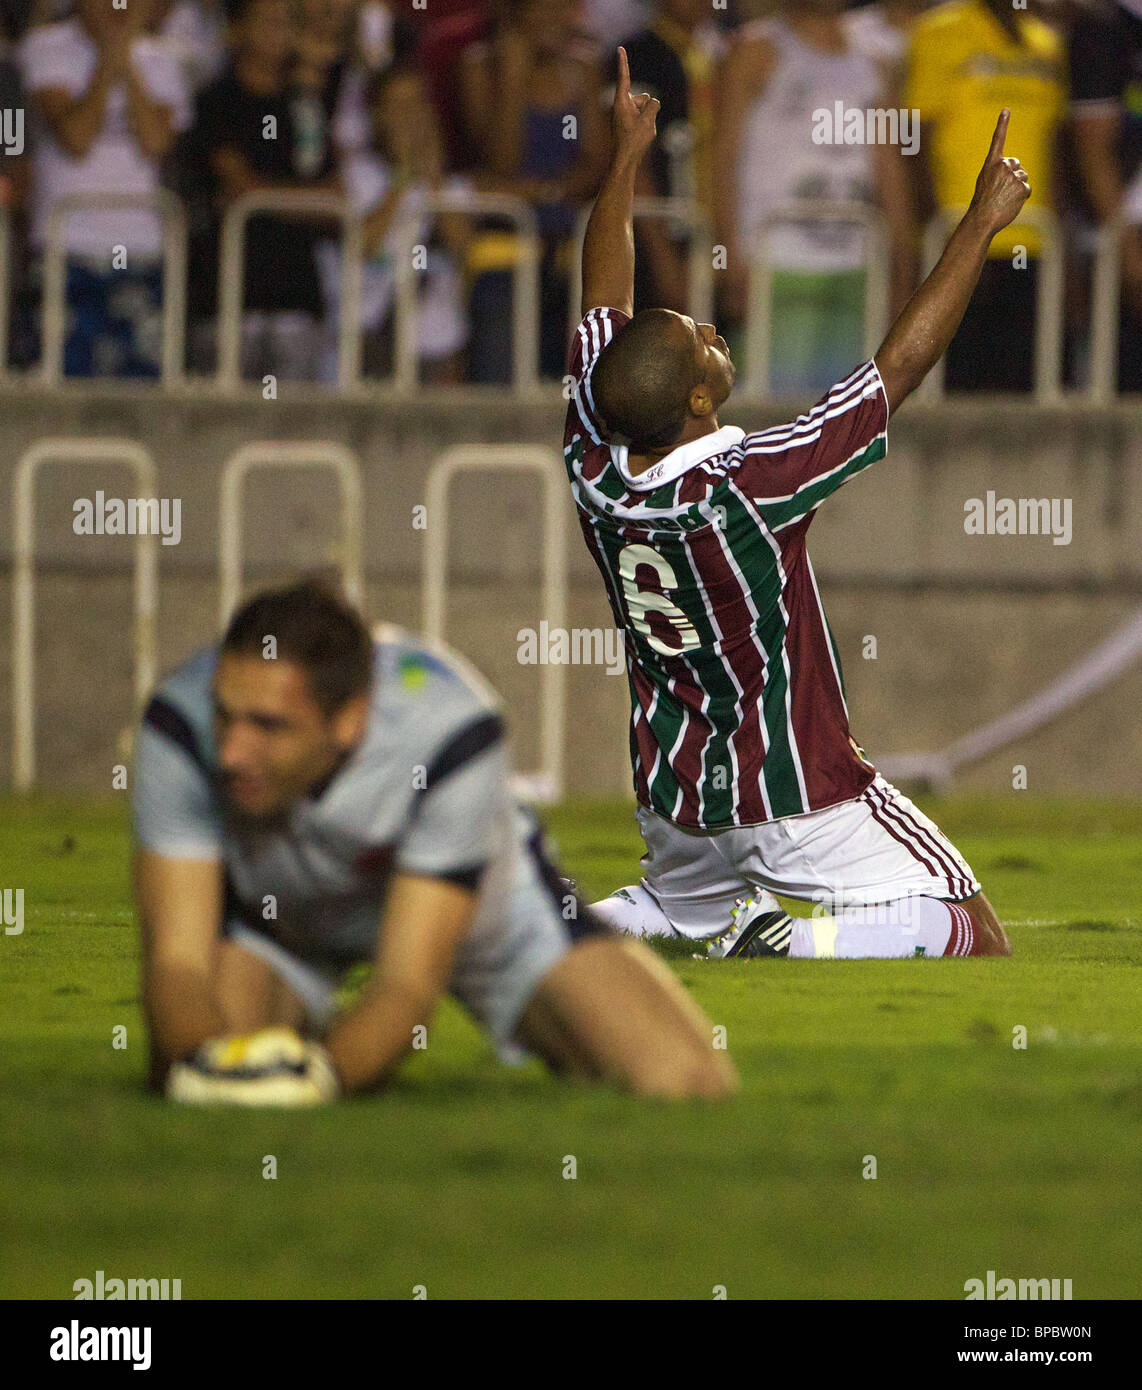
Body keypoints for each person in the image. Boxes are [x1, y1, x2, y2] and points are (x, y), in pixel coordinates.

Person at [564, 47, 1023, 961]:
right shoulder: (750, 485)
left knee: (681, 912)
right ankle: (793, 942)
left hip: (677, 799)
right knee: (971, 930)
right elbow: (894, 373)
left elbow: (602, 292)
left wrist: (624, 161)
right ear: (699, 399)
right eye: (701, 342)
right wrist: (975, 227)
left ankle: (574, 924)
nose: (710, 330)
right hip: (796, 796)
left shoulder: (592, 455)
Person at [133, 579, 737, 1105]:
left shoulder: (450, 728)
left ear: (349, 721)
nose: (232, 751)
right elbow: (176, 964)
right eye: (225, 715)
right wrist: (200, 1073)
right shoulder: (178, 723)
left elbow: (406, 986)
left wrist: (315, 1081)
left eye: (268, 725)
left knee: (685, 1079)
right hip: (285, 915)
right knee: (200, 1079)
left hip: (483, 915)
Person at [18, 0, 191, 376]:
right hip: (64, 247)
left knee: (139, 385)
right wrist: (109, 57)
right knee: (59, 379)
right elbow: (76, 136)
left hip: (140, 250)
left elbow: (155, 141)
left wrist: (124, 60)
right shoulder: (46, 46)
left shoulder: (163, 59)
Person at [903, 0, 1066, 392]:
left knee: (1025, 384)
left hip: (1034, 242)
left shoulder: (1047, 42)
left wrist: (1065, 244)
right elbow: (914, 143)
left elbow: (1056, 147)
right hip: (961, 238)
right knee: (955, 382)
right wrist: (934, 232)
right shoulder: (938, 32)